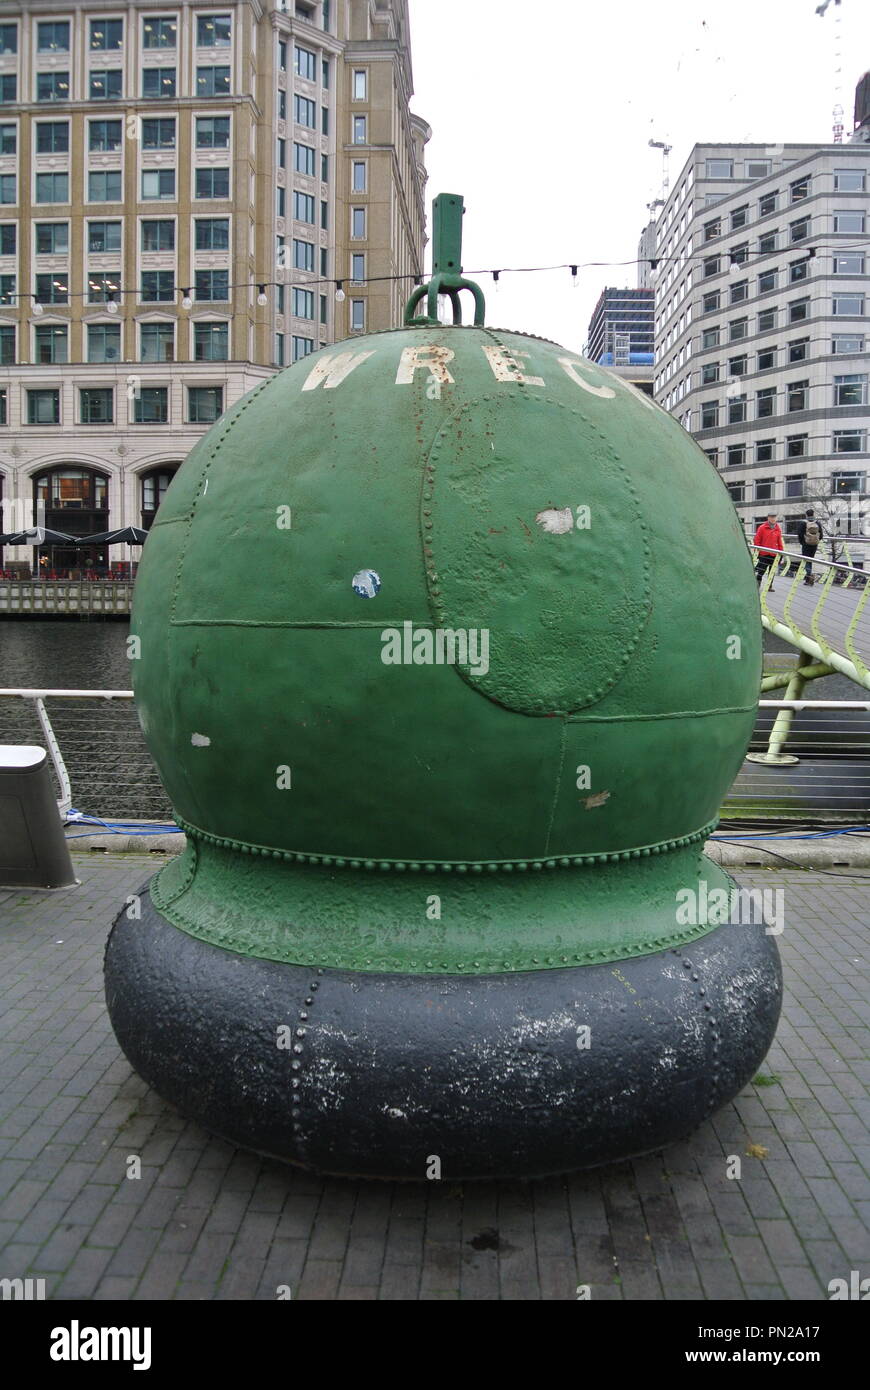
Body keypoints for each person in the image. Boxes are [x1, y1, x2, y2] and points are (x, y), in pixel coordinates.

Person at [753, 513, 783, 591]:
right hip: (764, 553)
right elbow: (757, 540)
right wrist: (758, 551)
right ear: (768, 518)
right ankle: (757, 584)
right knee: (761, 570)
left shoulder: (777, 528)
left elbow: (779, 541)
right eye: (771, 517)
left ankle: (769, 586)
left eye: (774, 517)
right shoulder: (762, 527)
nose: (773, 519)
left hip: (774, 553)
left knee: (772, 571)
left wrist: (781, 553)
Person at [796, 508, 822, 585]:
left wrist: (802, 542)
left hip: (806, 544)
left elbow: (800, 534)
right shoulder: (817, 523)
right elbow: (821, 535)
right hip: (814, 544)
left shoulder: (803, 523)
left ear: (806, 515)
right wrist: (816, 541)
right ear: (813, 514)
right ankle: (808, 578)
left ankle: (809, 576)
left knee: (806, 560)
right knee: (810, 560)